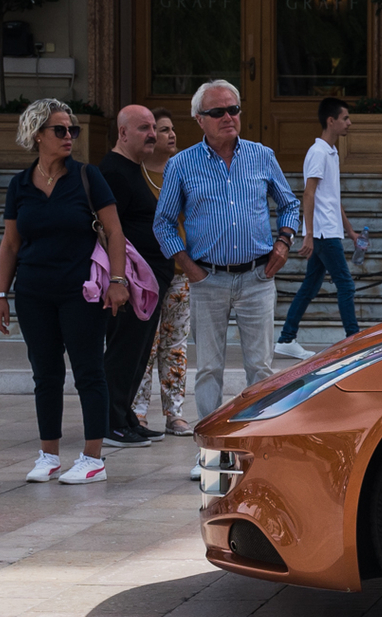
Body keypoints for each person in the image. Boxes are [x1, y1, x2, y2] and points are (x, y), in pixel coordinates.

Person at [0, 98, 130, 484]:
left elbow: (115, 231)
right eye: (60, 130)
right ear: (37, 135)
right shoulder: (20, 184)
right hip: (33, 293)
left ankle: (93, 458)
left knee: (89, 372)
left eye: (73, 130)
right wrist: (0, 295)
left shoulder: (87, 176)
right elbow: (11, 244)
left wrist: (118, 281)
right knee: (45, 374)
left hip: (81, 292)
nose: (69, 136)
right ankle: (48, 455)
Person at [156, 79, 296, 422]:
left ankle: (257, 436)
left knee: (260, 367)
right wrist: (189, 268)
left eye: (233, 109)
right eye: (217, 112)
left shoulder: (262, 156)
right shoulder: (182, 164)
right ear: (199, 119)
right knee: (208, 368)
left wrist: (284, 242)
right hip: (208, 279)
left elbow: (289, 204)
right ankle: (210, 441)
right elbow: (163, 223)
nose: (228, 117)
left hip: (257, 277)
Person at [96, 104, 171, 444]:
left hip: (148, 283)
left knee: (137, 353)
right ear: (123, 133)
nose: (152, 134)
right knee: (124, 352)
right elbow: (108, 232)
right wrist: (119, 279)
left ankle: (125, 417)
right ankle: (109, 422)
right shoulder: (114, 172)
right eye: (144, 128)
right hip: (130, 284)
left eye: (153, 127)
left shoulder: (131, 169)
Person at [280, 97, 359, 351]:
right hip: (323, 232)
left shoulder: (331, 153)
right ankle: (354, 339)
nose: (349, 123)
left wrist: (350, 231)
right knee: (345, 284)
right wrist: (309, 233)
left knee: (310, 286)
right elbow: (309, 193)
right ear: (331, 120)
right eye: (345, 118)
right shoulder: (318, 153)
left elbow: (333, 198)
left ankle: (286, 338)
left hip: (328, 230)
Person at [143, 110, 193, 437]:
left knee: (175, 345)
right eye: (164, 130)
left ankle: (174, 414)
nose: (171, 134)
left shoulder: (183, 172)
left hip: (179, 271)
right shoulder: (136, 174)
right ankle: (136, 413)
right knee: (145, 346)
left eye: (172, 129)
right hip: (144, 274)